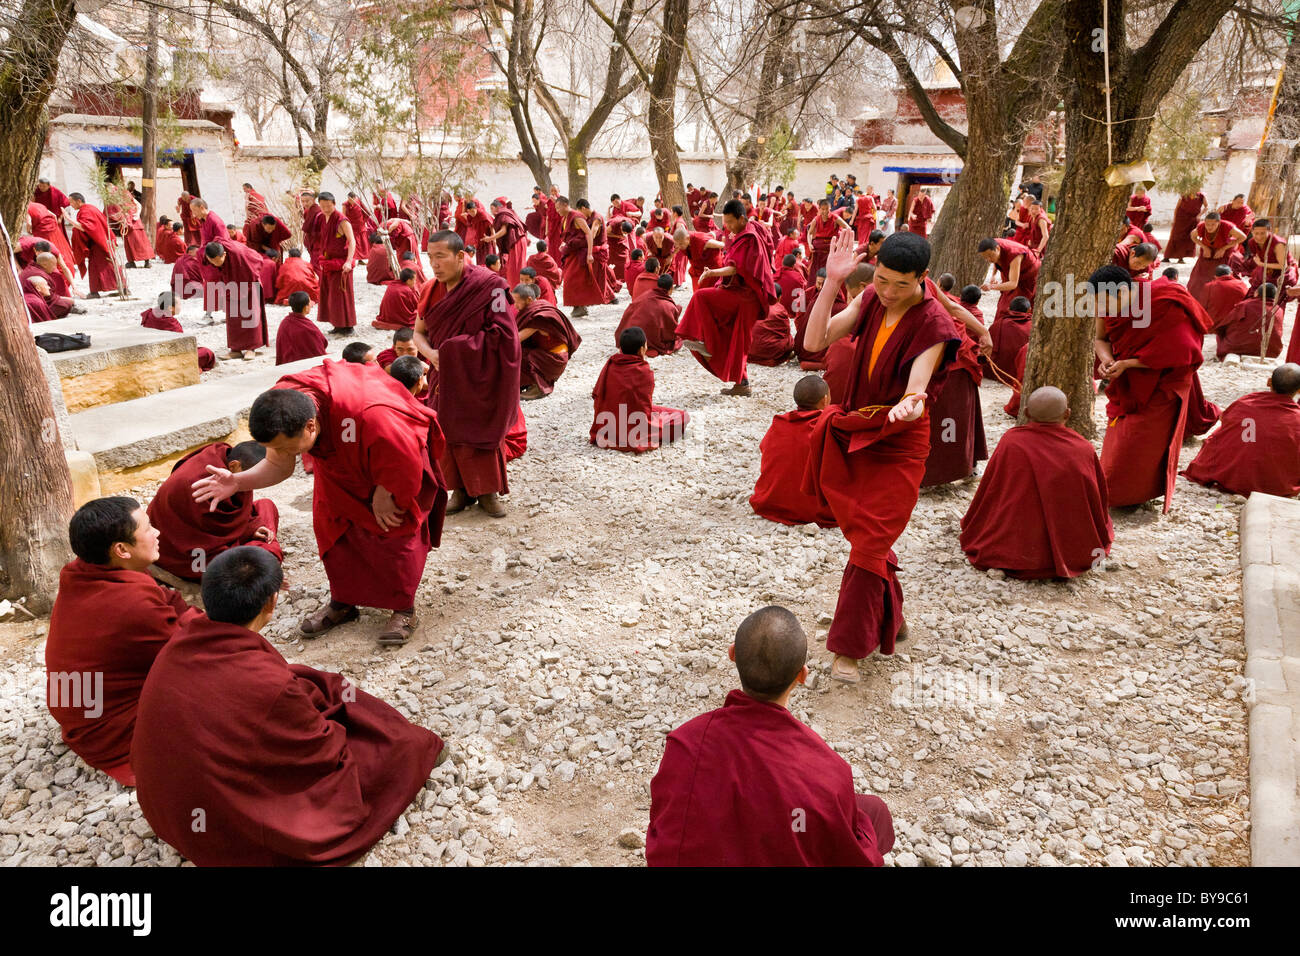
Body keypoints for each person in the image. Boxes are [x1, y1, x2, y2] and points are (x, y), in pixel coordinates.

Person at [131, 547, 446, 866]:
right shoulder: (269, 683)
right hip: (226, 833)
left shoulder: (176, 646)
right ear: (271, 603)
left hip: (169, 816)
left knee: (313, 686)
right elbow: (323, 752)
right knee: (397, 746)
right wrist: (333, 723)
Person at [192, 361, 447, 645]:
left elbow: (405, 458)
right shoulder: (284, 404)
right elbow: (279, 464)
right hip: (340, 468)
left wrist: (386, 491)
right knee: (334, 531)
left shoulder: (371, 414)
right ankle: (344, 601)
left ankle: (404, 608)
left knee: (394, 532)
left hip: (391, 464)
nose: (280, 453)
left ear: (311, 426)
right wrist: (239, 482)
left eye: (286, 447)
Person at [801, 230, 958, 684]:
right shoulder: (870, 297)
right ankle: (893, 616)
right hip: (858, 428)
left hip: (900, 440)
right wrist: (832, 283)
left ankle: (849, 648)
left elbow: (917, 386)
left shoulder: (933, 323)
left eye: (900, 285)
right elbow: (815, 342)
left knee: (869, 539)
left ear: (922, 279)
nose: (888, 292)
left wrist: (913, 403)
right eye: (883, 280)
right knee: (871, 538)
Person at [646, 606, 893, 866]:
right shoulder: (827, 772)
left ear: (733, 655)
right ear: (802, 675)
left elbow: (664, 824)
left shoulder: (685, 743)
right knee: (874, 814)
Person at [45, 497, 198, 785]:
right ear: (121, 550)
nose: (157, 533)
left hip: (82, 711)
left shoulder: (80, 573)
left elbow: (169, 602)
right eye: (148, 528)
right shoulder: (131, 603)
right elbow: (191, 656)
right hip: (112, 732)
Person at [414, 230, 521, 518]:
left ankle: (487, 493)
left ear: (460, 256)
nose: (434, 264)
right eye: (430, 257)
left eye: (440, 257)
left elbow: (506, 334)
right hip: (444, 373)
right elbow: (418, 334)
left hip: (481, 373)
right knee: (448, 430)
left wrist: (456, 350)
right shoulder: (429, 289)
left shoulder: (494, 287)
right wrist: (434, 355)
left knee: (481, 428)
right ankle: (459, 490)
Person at [1092, 264, 1211, 511]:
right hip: (1127, 385)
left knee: (1143, 443)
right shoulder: (1106, 305)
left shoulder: (1164, 302)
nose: (1101, 309)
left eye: (1104, 302)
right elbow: (1100, 339)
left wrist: (1128, 363)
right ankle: (1112, 491)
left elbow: (1182, 351)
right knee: (1119, 441)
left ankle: (1131, 494)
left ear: (1123, 292)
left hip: (1162, 383)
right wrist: (1107, 360)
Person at [960, 386, 1113, 577]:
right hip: (1072, 551)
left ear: (1025, 412)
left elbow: (991, 492)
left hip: (1010, 551)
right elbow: (1095, 498)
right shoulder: (1082, 448)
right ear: (1067, 414)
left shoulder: (1011, 441)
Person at [676, 198, 777, 397]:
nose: (727, 227)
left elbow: (736, 268)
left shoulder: (749, 237)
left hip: (746, 295)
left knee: (701, 298)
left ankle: (706, 342)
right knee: (736, 338)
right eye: (725, 223)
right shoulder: (746, 232)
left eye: (730, 222)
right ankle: (743, 383)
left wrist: (711, 273)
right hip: (740, 292)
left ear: (741, 219)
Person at [147, 441, 283, 581]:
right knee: (247, 563)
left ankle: (261, 557)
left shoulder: (225, 456)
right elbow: (204, 538)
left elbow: (233, 514)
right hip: (187, 553)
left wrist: (253, 526)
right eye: (252, 478)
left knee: (266, 505)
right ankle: (262, 561)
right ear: (234, 465)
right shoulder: (199, 486)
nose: (253, 484)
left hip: (219, 531)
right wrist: (246, 532)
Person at [1182, 364, 1300, 498]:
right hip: (1277, 487)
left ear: (1269, 382)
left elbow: (1225, 420)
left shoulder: (1246, 402)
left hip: (1233, 480)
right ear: (1299, 391)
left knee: (1220, 435)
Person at [750, 376, 836, 527]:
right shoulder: (829, 426)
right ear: (825, 400)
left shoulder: (780, 422)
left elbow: (765, 450)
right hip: (816, 510)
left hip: (772, 502)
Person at [590, 327, 689, 453]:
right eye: (646, 345)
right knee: (682, 417)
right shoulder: (643, 371)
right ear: (642, 349)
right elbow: (644, 407)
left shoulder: (610, 364)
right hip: (634, 432)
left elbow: (598, 397)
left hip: (606, 428)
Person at [200, 239, 271, 360]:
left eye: (218, 261)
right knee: (233, 317)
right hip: (230, 282)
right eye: (212, 261)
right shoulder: (209, 252)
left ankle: (251, 348)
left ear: (224, 255)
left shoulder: (238, 254)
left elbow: (258, 260)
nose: (215, 264)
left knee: (250, 315)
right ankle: (235, 349)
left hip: (248, 282)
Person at [514, 282, 581, 400]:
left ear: (529, 300)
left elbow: (515, 340)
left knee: (518, 356)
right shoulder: (539, 305)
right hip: (548, 354)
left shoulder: (539, 318)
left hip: (555, 360)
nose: (515, 305)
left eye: (517, 301)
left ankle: (538, 387)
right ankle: (530, 382)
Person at [558, 197, 611, 316]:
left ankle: (581, 306)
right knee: (574, 280)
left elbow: (588, 234)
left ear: (565, 205)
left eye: (558, 207)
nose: (557, 210)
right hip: (573, 252)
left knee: (575, 280)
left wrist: (590, 254)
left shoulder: (577, 216)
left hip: (582, 252)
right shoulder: (566, 218)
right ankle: (580, 307)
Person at [140, 290, 217, 371]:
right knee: (207, 353)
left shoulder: (150, 314)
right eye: (179, 304)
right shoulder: (170, 322)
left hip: (150, 355)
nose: (180, 306)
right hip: (167, 358)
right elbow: (181, 346)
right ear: (170, 308)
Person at [315, 192, 357, 334]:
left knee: (342, 293)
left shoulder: (342, 220)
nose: (326, 208)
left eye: (328, 205)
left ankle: (348, 325)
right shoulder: (321, 217)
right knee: (331, 294)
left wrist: (349, 261)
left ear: (334, 204)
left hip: (341, 263)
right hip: (328, 261)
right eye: (322, 206)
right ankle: (337, 324)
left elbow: (352, 241)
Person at [614, 273, 682, 356]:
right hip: (649, 340)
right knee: (679, 339)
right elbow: (671, 334)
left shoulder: (645, 295)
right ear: (671, 288)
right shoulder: (669, 306)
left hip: (630, 337)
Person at [1212, 283, 1284, 360]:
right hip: (1269, 351)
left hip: (1238, 349)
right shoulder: (1278, 310)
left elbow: (1224, 324)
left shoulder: (1244, 305)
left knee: (1221, 336)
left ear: (1257, 293)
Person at [67, 193, 118, 297]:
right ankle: (120, 288)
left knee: (100, 266)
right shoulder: (90, 208)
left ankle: (95, 292)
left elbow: (85, 227)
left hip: (99, 243)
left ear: (79, 201)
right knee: (106, 265)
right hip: (101, 241)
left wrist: (68, 218)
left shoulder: (86, 210)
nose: (71, 205)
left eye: (71, 202)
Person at [1188, 212, 1246, 303]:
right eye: (1207, 224)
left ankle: (1219, 298)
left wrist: (1223, 248)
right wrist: (1204, 247)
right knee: (1198, 276)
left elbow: (1243, 237)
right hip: (1208, 251)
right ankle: (1198, 298)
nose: (1209, 227)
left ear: (1219, 223)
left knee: (1221, 274)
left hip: (1223, 252)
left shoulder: (1227, 226)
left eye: (1213, 224)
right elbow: (1192, 236)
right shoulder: (1202, 226)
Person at [978, 236, 1040, 321]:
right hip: (1011, 273)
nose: (989, 259)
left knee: (1018, 306)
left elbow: (1013, 284)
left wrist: (991, 287)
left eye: (990, 256)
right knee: (1004, 303)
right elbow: (996, 260)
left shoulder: (1014, 254)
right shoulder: (993, 244)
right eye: (985, 258)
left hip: (1028, 275)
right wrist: (993, 275)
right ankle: (1001, 326)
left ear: (998, 248)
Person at [747, 282, 796, 366]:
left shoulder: (753, 304)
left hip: (749, 349)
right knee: (790, 340)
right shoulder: (780, 310)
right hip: (769, 352)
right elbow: (786, 333)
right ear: (779, 297)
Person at [276, 289, 329, 364]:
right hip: (303, 366)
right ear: (305, 307)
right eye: (309, 302)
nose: (311, 304)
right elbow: (320, 347)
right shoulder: (308, 328)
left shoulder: (284, 323)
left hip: (286, 363)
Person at [488, 197, 528, 287]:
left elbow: (504, 231)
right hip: (518, 240)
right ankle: (518, 286)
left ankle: (516, 287)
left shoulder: (503, 214)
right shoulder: (508, 212)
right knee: (517, 265)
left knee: (515, 267)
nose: (491, 211)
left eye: (492, 208)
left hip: (516, 241)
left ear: (498, 207)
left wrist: (491, 238)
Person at [990, 295, 1033, 375]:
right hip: (1020, 371)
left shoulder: (997, 324)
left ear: (1009, 309)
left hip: (997, 370)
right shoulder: (1033, 327)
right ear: (1029, 310)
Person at [1165, 191, 1206, 261]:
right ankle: (1167, 257)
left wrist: (1199, 215)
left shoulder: (1202, 196)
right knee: (1175, 236)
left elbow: (1207, 206)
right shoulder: (1184, 194)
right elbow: (1177, 207)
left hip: (1192, 219)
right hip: (1181, 218)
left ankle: (1181, 258)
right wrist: (1174, 219)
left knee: (1187, 238)